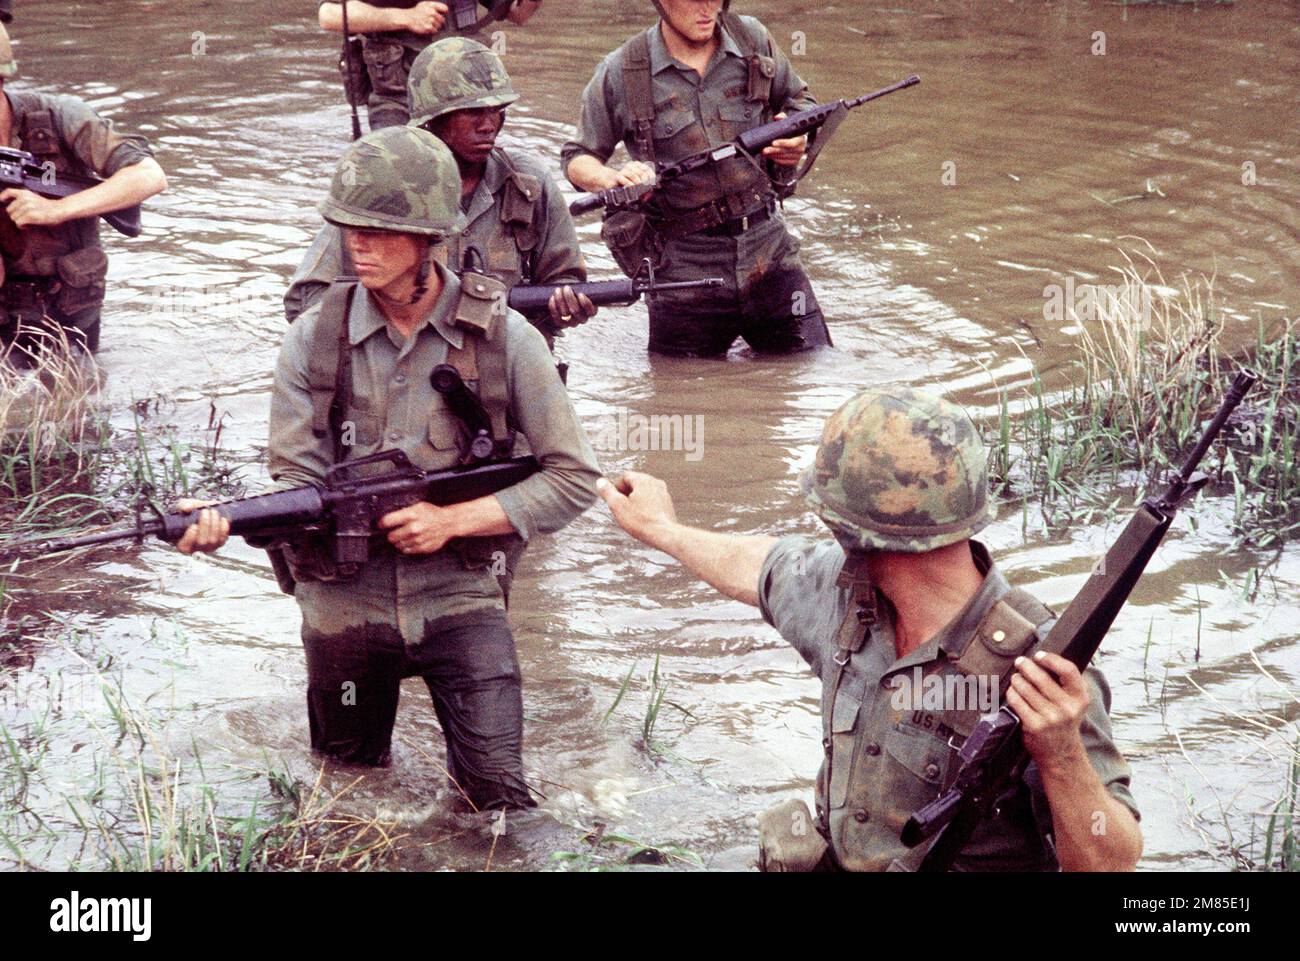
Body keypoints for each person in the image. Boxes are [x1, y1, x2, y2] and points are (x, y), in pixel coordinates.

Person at [180, 126, 599, 812]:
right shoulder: (314, 338)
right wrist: (227, 520)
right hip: (346, 602)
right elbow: (296, 482)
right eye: (349, 228)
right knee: (346, 797)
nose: (357, 245)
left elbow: (573, 477)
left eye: (378, 230)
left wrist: (451, 521)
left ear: (429, 238)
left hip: (462, 594)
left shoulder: (504, 337)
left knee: (499, 802)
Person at [597, 386, 1144, 870]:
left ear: (856, 533)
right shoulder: (849, 599)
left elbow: (1110, 866)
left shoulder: (1041, 669)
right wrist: (661, 530)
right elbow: (758, 565)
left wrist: (1060, 752)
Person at [561, 0, 831, 358]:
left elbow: (801, 101)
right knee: (683, 394)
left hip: (770, 252)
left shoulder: (752, 39)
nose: (708, 9)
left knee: (813, 370)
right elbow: (577, 157)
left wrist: (797, 137)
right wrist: (613, 180)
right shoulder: (624, 70)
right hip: (684, 272)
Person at [286, 36, 594, 347]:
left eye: (497, 110)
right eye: (472, 112)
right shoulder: (384, 182)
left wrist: (563, 310)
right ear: (433, 119)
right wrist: (384, 335)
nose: (489, 124)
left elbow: (564, 278)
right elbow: (307, 300)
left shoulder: (529, 183)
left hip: (503, 364)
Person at [0, 20, 166, 357]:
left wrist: (55, 209)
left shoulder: (58, 116)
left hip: (69, 312)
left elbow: (148, 175)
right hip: (4, 316)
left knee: (81, 399)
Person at [318, 1, 544, 131]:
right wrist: (405, 17)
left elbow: (519, 14)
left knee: (472, 178)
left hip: (466, 92)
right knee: (401, 168)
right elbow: (330, 15)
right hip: (399, 94)